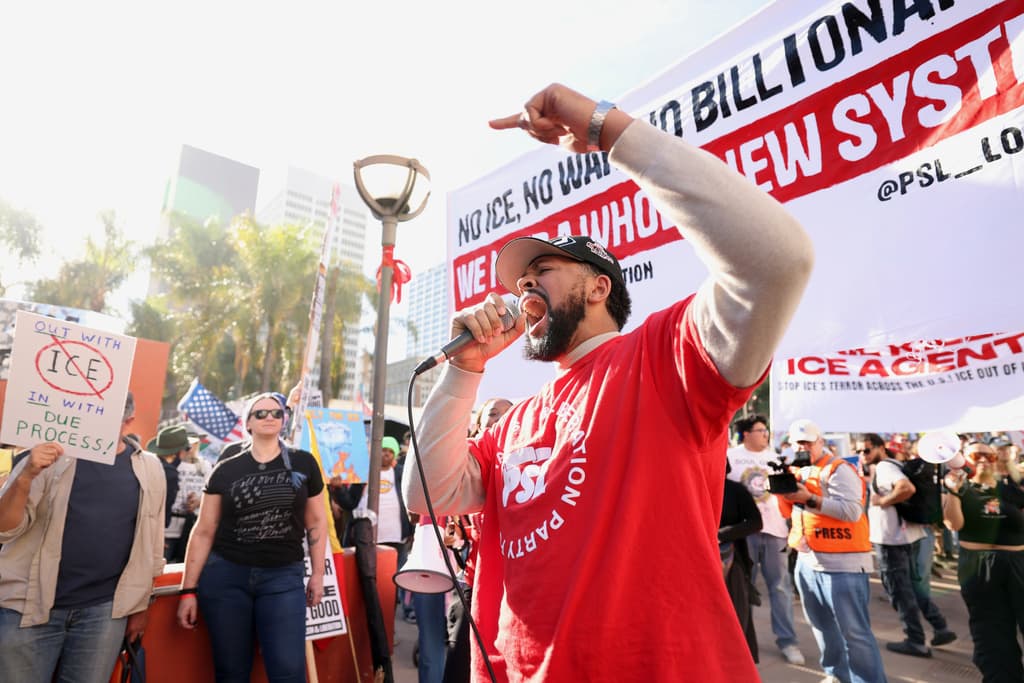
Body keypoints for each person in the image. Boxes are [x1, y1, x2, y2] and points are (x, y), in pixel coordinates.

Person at [403, 83, 813, 681]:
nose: (525, 289)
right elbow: (426, 496)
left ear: (598, 287)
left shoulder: (663, 359)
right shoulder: (514, 421)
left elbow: (778, 261)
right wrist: (464, 369)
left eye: (543, 271)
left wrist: (609, 130)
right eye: (521, 283)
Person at [0, 392, 166, 683]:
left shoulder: (149, 468)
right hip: (27, 607)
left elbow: (151, 544)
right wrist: (26, 475)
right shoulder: (42, 457)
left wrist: (140, 607)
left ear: (127, 421)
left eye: (102, 411)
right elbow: (5, 528)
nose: (92, 417)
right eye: (88, 409)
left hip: (103, 614)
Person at [177, 392, 327, 683]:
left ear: (284, 420)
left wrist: (318, 574)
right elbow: (204, 530)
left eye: (276, 413)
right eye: (261, 413)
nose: (269, 417)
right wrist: (187, 591)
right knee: (231, 672)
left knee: (288, 671)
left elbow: (316, 521)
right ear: (248, 423)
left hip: (283, 577)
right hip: (227, 577)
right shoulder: (226, 469)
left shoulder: (304, 463)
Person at [779, 419, 886, 683]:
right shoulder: (798, 471)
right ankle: (836, 675)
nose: (803, 447)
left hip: (842, 566)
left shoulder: (839, 469)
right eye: (798, 443)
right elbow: (791, 513)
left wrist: (809, 498)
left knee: (855, 634)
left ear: (820, 441)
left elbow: (852, 511)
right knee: (822, 627)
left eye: (808, 442)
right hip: (808, 561)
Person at [860, 433, 955, 659]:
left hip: (892, 540)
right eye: (860, 451)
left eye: (867, 450)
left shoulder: (885, 467)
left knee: (899, 591)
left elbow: (907, 488)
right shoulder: (894, 464)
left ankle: (915, 640)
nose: (863, 455)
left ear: (880, 448)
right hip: (906, 536)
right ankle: (940, 626)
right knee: (911, 588)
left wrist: (882, 501)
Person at [942, 440, 1024, 682]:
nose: (983, 460)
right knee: (991, 633)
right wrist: (952, 491)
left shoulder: (1011, 490)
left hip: (1017, 563)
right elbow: (953, 524)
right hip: (978, 566)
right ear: (965, 459)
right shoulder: (960, 489)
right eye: (976, 455)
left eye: (989, 456)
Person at [727, 414, 805, 665]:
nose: (765, 434)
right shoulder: (730, 457)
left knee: (780, 588)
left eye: (766, 430)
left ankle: (788, 641)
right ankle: (742, 642)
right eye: (760, 430)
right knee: (743, 588)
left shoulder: (776, 458)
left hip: (775, 532)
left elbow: (790, 495)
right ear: (746, 434)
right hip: (743, 534)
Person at [720, 459, 763, 663]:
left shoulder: (734, 490)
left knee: (735, 615)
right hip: (697, 565)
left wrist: (721, 535)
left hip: (731, 563)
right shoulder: (691, 488)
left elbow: (755, 522)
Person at [148, 424, 209, 562]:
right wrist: (157, 535)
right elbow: (157, 505)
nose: (190, 449)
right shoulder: (168, 470)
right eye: (187, 446)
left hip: (186, 527)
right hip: (163, 531)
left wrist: (198, 501)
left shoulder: (203, 465)